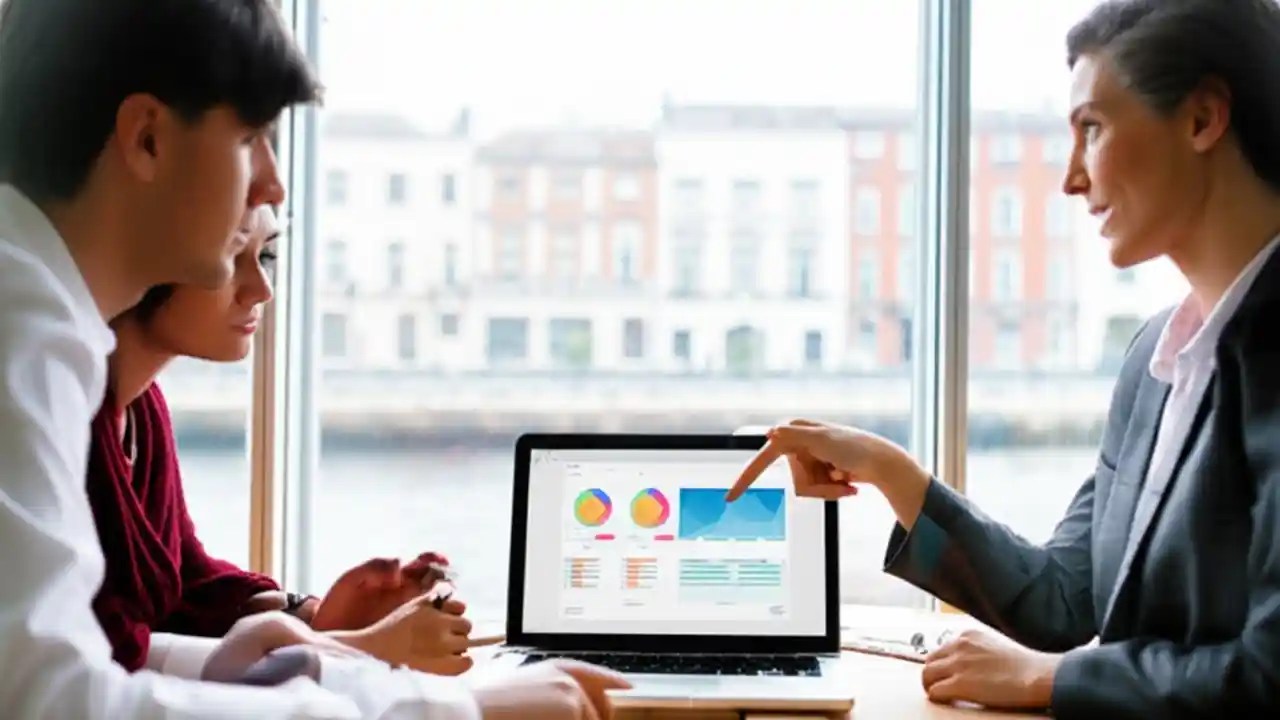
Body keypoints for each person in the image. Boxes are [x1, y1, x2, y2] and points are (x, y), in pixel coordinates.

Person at [0, 0, 626, 717]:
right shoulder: (18, 333)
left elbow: (115, 651)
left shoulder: (44, 325)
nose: (271, 183)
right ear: (146, 139)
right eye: (249, 137)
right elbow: (51, 698)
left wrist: (324, 649)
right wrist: (457, 711)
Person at [729, 0, 1280, 717]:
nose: (1071, 179)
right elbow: (1063, 598)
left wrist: (1049, 680)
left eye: (1093, 128)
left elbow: (1269, 679)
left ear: (1204, 118)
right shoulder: (1158, 358)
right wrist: (890, 471)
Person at [88, 205, 474, 678]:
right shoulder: (74, 419)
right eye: (233, 254)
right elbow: (100, 658)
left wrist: (309, 616)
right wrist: (352, 651)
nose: (262, 289)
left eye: (265, 256)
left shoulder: (142, 409)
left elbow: (185, 584)